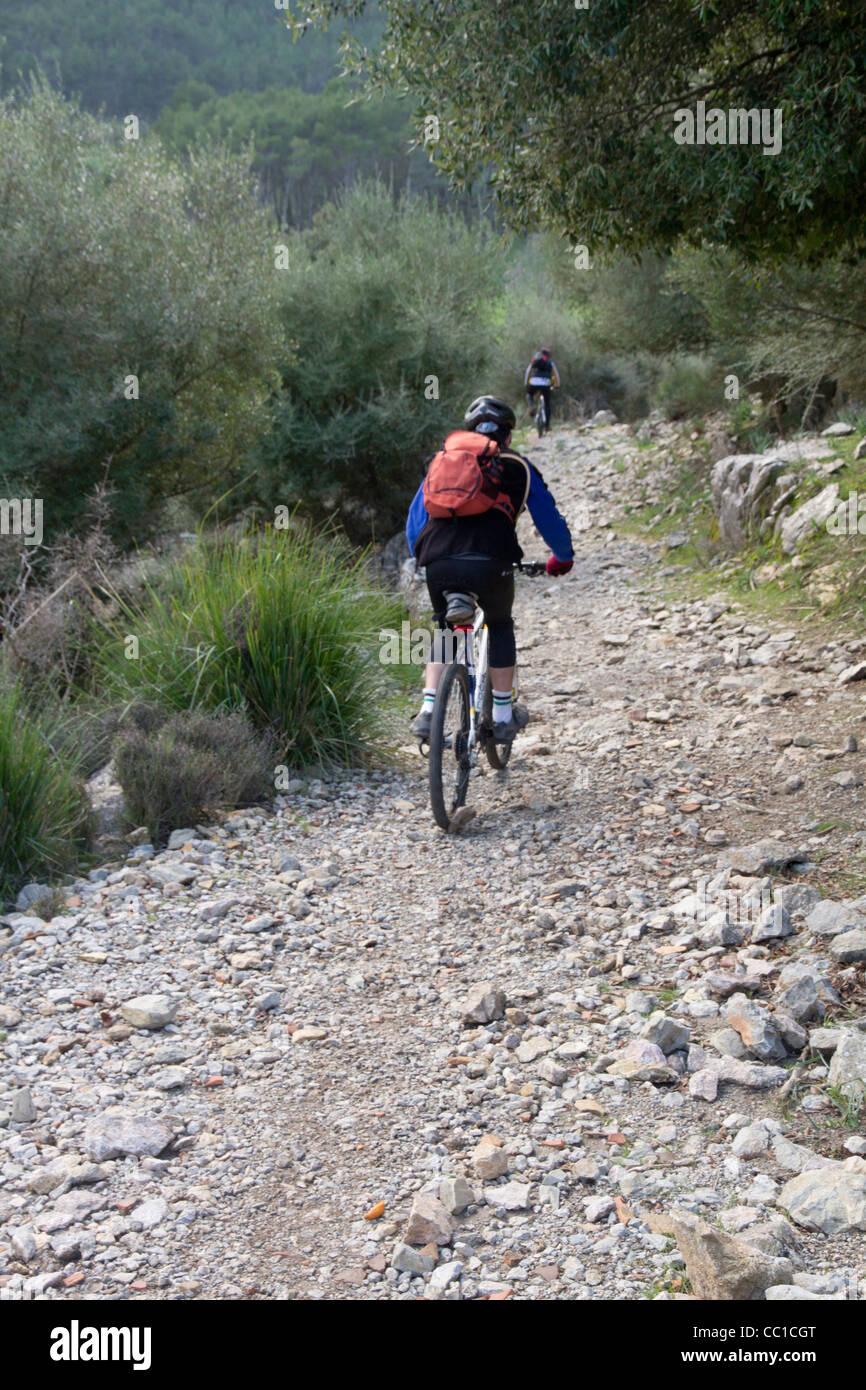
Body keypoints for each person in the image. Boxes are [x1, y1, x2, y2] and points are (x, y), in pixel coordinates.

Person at [405, 395, 574, 743]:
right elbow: (549, 519)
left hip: (439, 562)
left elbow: (414, 524)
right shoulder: (517, 465)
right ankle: (501, 717)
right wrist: (562, 557)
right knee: (499, 625)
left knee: (447, 630)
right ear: (508, 436)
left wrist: (426, 561)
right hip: (491, 563)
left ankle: (427, 711)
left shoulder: (442, 463)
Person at [524, 347, 560, 425]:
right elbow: (556, 374)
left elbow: (528, 371)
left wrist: (526, 383)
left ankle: (531, 406)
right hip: (546, 383)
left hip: (534, 382)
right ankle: (547, 426)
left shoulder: (535, 359)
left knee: (529, 394)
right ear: (548, 354)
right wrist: (557, 386)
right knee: (547, 403)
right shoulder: (550, 361)